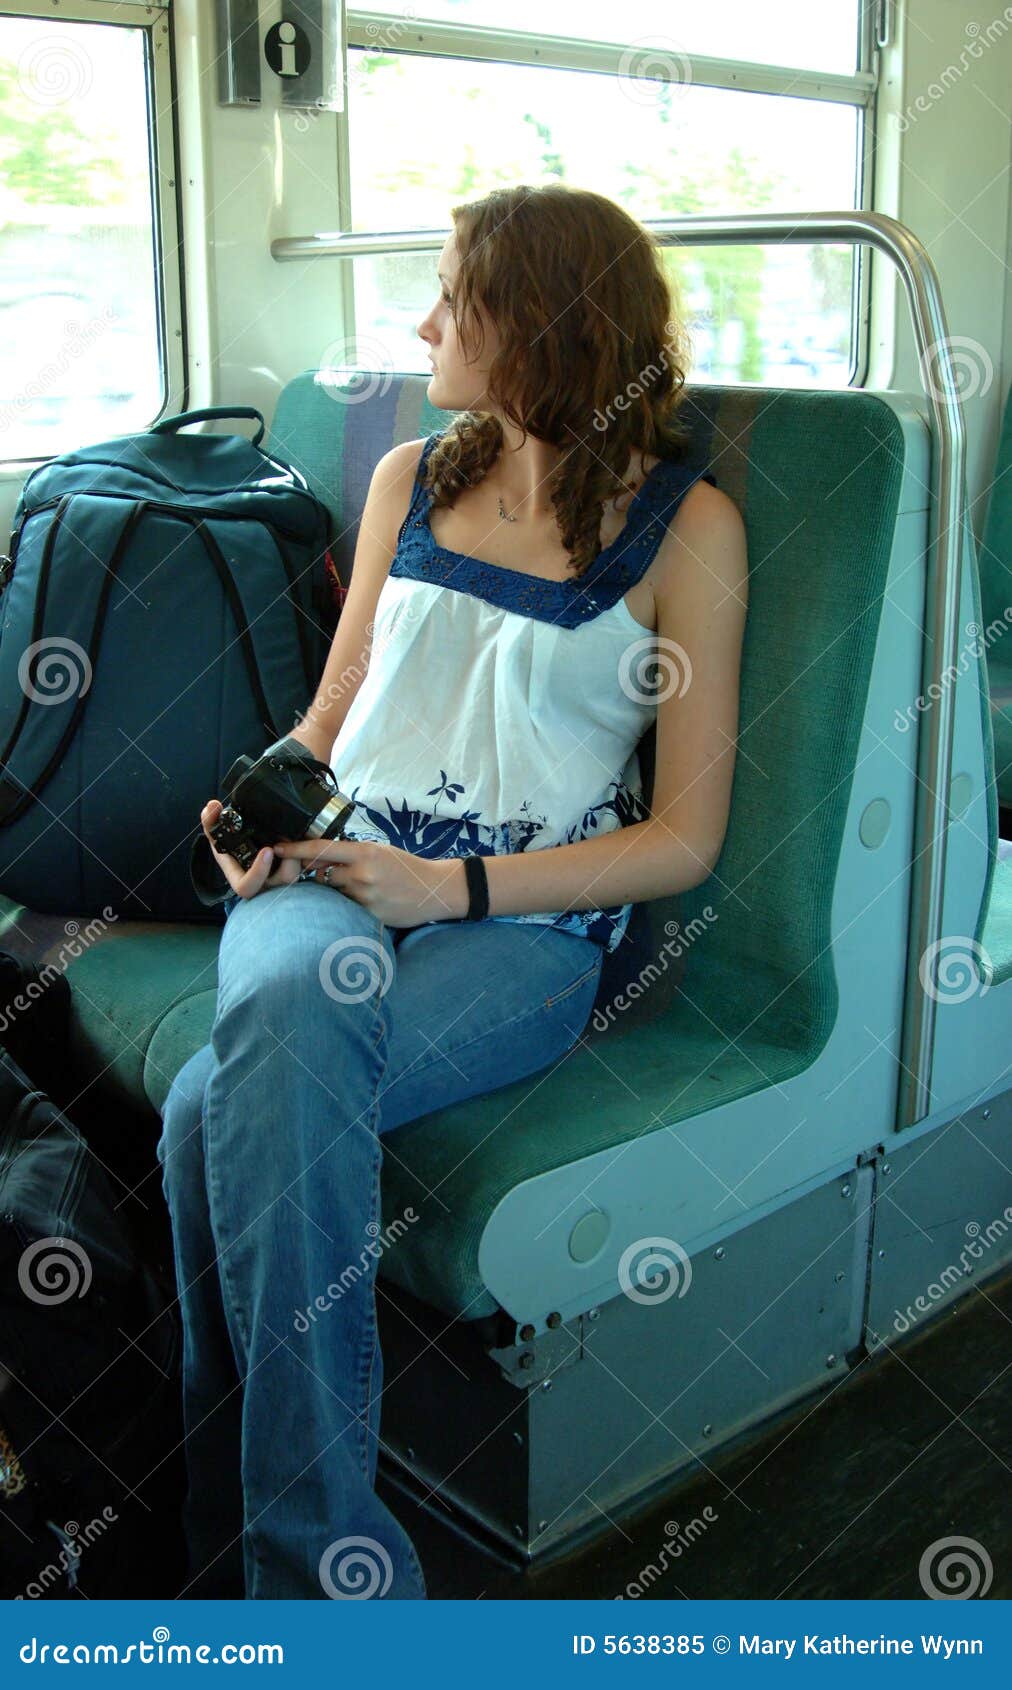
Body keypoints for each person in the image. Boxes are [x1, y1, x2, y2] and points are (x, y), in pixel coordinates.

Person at [156, 182, 748, 1601]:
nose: (423, 322)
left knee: (205, 1116)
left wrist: (452, 886)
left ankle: (245, 1548)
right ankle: (328, 1579)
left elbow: (684, 839)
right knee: (287, 1001)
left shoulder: (688, 534)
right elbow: (329, 718)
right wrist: (256, 820)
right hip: (334, 863)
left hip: (525, 921)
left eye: (451, 296)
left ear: (540, 323)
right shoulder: (407, 480)